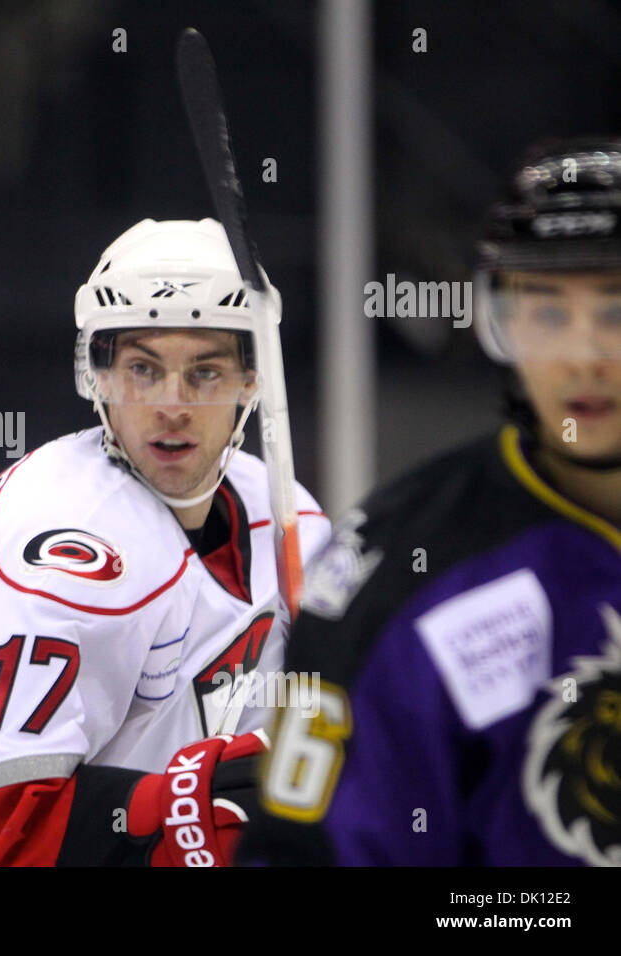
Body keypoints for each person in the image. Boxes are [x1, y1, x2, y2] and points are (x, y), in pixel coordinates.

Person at [0, 218, 330, 865]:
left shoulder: (289, 520)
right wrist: (188, 811)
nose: (172, 404)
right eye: (143, 369)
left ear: (251, 383)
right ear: (99, 376)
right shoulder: (54, 536)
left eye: (205, 372)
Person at [240, 138, 621, 866]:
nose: (584, 355)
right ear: (499, 324)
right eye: (546, 314)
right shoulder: (389, 586)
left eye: (616, 310)